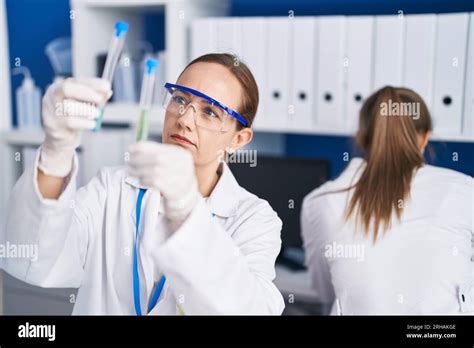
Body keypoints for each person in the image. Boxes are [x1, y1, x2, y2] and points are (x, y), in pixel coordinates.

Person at [1, 53, 285, 315]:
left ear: (238, 140)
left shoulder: (254, 219)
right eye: (180, 100)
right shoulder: (112, 189)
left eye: (210, 112)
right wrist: (56, 151)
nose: (185, 119)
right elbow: (33, 258)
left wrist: (187, 211)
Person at [301, 86, 473, 315]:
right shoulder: (464, 190)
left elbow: (324, 291)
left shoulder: (321, 202)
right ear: (424, 137)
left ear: (361, 138)